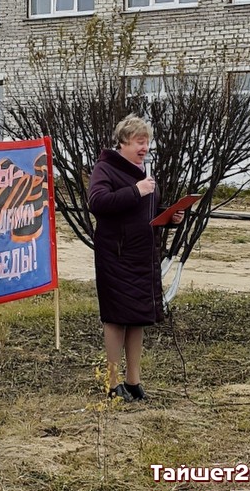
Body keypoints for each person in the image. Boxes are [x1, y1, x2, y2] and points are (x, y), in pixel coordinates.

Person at [88, 114, 184, 402]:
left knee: (138, 318)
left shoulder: (142, 172)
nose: (145, 148)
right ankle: (112, 381)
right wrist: (135, 190)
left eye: (147, 143)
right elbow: (98, 202)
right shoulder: (106, 168)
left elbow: (143, 214)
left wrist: (170, 218)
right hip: (116, 256)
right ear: (124, 142)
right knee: (116, 319)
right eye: (140, 142)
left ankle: (133, 381)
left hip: (141, 256)